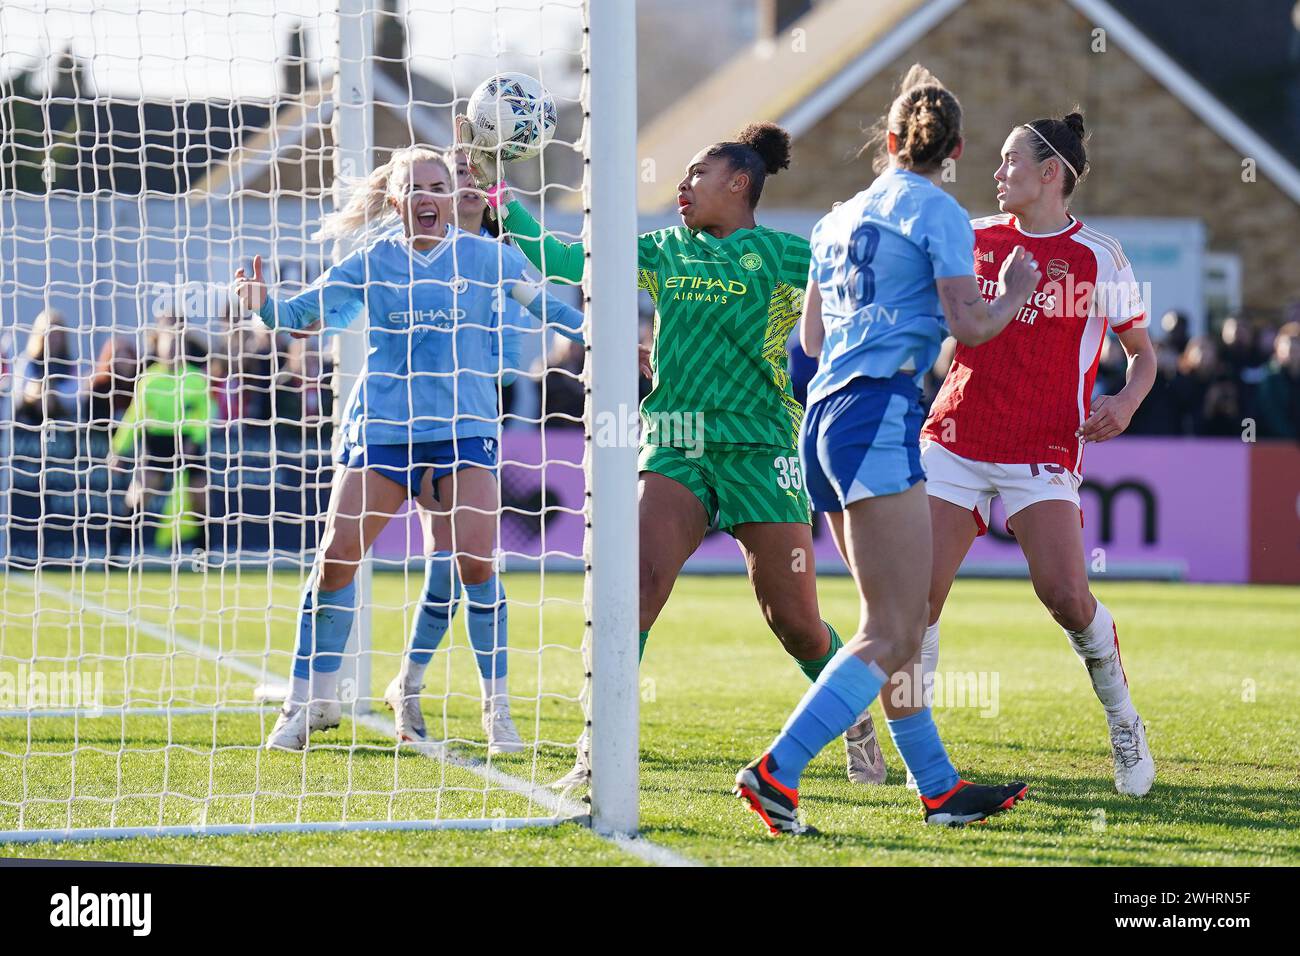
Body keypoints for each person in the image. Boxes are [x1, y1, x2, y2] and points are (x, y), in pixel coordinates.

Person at [472, 121, 886, 789]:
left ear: (739, 183)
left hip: (761, 448)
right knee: (630, 591)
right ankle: (598, 748)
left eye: (697, 173)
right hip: (678, 442)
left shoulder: (787, 256)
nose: (682, 186)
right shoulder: (664, 249)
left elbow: (864, 295)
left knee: (799, 627)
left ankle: (856, 720)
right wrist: (500, 200)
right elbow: (565, 261)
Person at [735, 65, 1037, 835]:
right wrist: (1013, 291)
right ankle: (777, 770)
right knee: (894, 629)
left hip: (824, 417)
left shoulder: (835, 218)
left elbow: (807, 347)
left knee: (890, 620)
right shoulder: (939, 211)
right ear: (957, 149)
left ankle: (936, 785)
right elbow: (969, 327)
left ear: (890, 141)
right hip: (877, 411)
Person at [233, 145, 582, 753]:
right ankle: (307, 703)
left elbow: (552, 308)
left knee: (475, 565)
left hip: (464, 432)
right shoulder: (370, 262)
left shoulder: (489, 259)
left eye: (437, 186)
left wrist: (603, 336)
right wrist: (261, 303)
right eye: (414, 188)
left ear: (451, 197)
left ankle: (496, 713)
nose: (427, 196)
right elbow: (298, 316)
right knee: (334, 560)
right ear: (395, 200)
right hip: (385, 431)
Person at [916, 110, 1158, 798]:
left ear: (1050, 174)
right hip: (955, 440)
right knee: (918, 599)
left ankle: (1124, 723)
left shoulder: (1098, 257)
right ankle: (924, 753)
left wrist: (1126, 402)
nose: (996, 175)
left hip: (1045, 447)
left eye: (1009, 163)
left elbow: (1143, 358)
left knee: (1066, 596)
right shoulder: (974, 237)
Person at [108, 323, 214, 556]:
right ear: (159, 346)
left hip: (188, 443)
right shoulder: (149, 380)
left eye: (179, 344)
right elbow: (133, 417)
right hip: (158, 442)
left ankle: (203, 555)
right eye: (170, 344)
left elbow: (206, 413)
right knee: (139, 496)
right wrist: (117, 450)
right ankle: (114, 552)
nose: (174, 349)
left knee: (199, 498)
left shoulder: (196, 378)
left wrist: (194, 440)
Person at [1256, 321, 1300, 438]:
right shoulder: (1268, 379)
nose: (1292, 350)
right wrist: (1293, 437)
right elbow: (1272, 416)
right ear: (1277, 348)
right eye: (1287, 345)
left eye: (1297, 345)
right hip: (1275, 445)